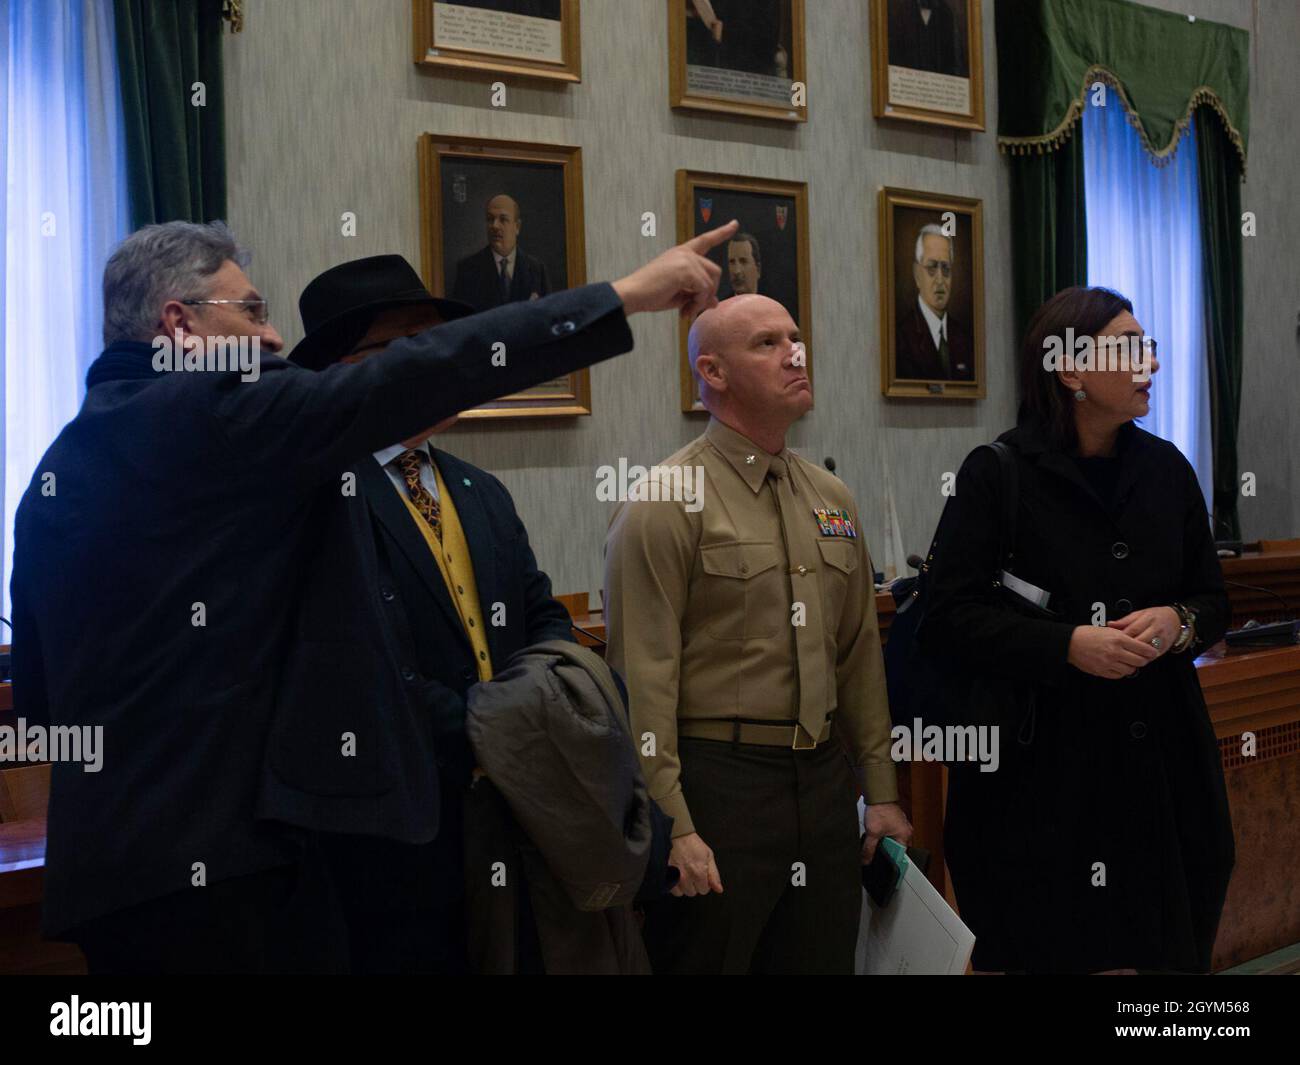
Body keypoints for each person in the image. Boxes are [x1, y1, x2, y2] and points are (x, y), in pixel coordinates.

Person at [9, 216, 738, 974]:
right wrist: (623, 295)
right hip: (233, 876)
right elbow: (412, 375)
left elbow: (39, 708)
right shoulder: (212, 407)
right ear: (179, 324)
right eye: (253, 312)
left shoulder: (55, 475)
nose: (272, 338)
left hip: (112, 881)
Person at [919, 285, 1234, 974]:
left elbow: (1214, 598)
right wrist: (1066, 645)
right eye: (1131, 345)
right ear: (1070, 369)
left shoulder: (1167, 470)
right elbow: (949, 616)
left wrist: (1178, 622)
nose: (1152, 360)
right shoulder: (996, 473)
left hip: (1161, 770)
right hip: (1039, 780)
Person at [604, 294, 912, 974]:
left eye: (796, 338)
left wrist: (883, 792)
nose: (795, 354)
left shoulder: (832, 497)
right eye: (768, 343)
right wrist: (672, 825)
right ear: (712, 372)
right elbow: (641, 684)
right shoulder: (664, 502)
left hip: (824, 783)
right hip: (720, 786)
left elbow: (860, 655)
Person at [894, 223, 973, 381]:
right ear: (917, 274)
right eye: (931, 267)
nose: (940, 280)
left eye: (945, 268)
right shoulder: (901, 338)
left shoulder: (965, 338)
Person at [451, 194, 551, 311]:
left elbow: (547, 318)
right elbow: (461, 322)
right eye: (490, 219)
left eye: (503, 219)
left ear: (517, 227)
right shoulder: (468, 269)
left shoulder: (537, 270)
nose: (494, 226)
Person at [887, 0, 967, 77]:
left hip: (940, 82)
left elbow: (954, 58)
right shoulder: (903, 11)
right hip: (908, 80)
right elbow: (895, 53)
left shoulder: (945, 12)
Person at [727, 232, 761, 296]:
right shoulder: (721, 305)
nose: (736, 271)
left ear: (758, 269)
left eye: (743, 261)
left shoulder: (773, 304)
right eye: (732, 262)